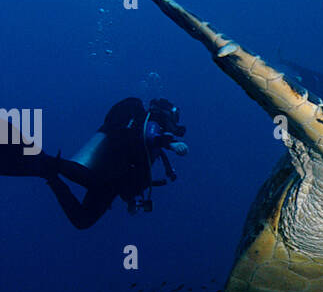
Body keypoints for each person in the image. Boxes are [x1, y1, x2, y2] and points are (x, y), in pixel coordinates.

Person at [0, 96, 188, 228]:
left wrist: (132, 199)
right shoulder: (152, 123)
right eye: (175, 117)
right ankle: (43, 162)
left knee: (82, 221)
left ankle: (48, 171)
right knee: (83, 184)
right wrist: (172, 144)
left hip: (112, 186)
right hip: (107, 176)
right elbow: (151, 136)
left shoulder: (150, 134)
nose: (175, 123)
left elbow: (139, 160)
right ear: (167, 114)